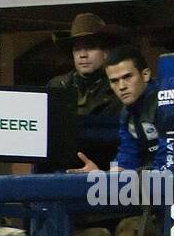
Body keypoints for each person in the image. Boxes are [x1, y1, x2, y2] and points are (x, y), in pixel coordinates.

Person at [70, 44, 167, 175]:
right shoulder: (127, 113)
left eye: (127, 77)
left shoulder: (167, 103)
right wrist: (103, 175)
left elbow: (169, 158)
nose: (121, 86)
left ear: (145, 74)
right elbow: (126, 157)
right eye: (114, 81)